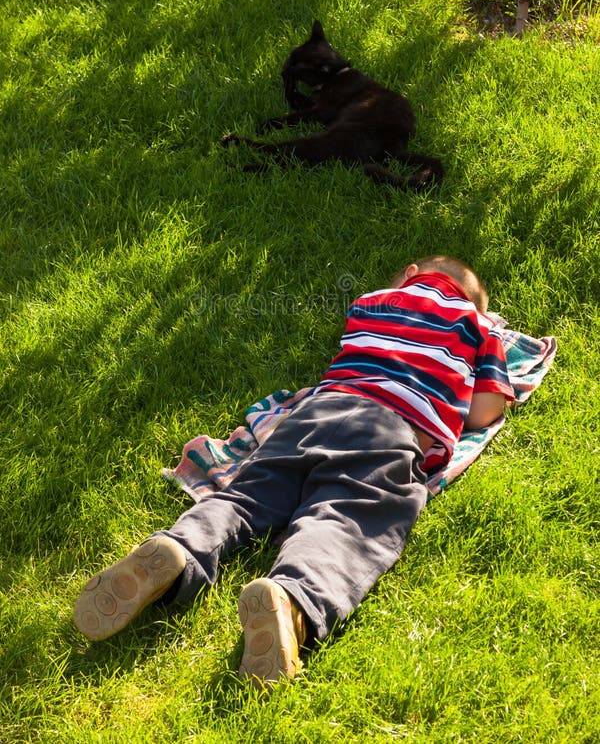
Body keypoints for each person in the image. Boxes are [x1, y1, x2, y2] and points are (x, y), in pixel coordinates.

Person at [74, 255, 514, 687]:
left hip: (316, 413)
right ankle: (293, 598)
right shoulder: (477, 326)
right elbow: (484, 411)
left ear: (410, 276)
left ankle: (180, 549)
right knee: (345, 519)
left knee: (247, 497)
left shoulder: (373, 302)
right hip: (391, 433)